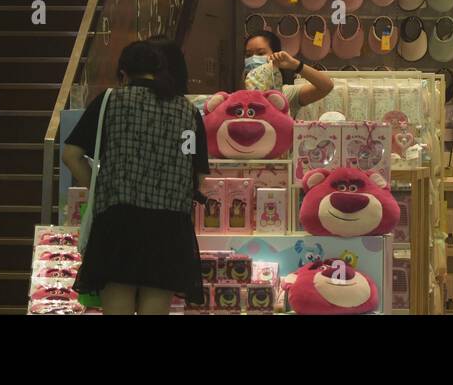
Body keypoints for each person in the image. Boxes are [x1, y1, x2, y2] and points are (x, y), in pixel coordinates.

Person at [62, 38, 207, 314]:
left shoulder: (109, 101)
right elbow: (197, 177)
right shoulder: (187, 111)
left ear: (123, 73)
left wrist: (99, 186)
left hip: (119, 220)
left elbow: (71, 154)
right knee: (156, 300)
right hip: (169, 225)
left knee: (118, 298)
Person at [243, 30, 335, 118]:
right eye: (248, 55)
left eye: (260, 53)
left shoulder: (285, 94)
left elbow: (326, 86)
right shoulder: (237, 92)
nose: (253, 59)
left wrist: (296, 65)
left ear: (275, 54)